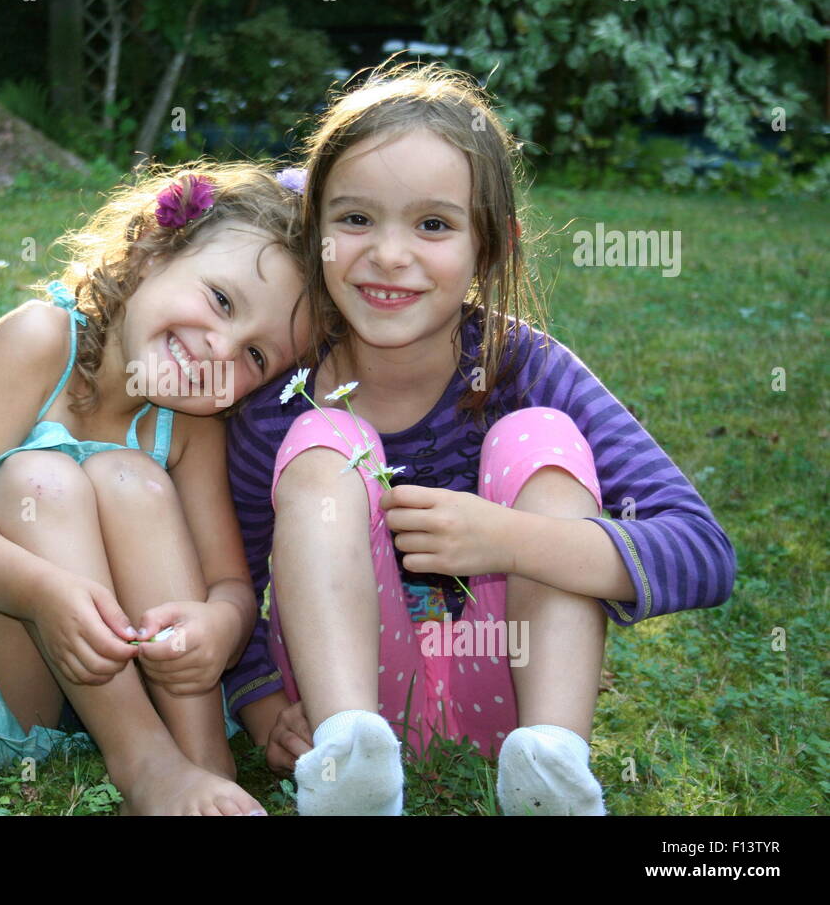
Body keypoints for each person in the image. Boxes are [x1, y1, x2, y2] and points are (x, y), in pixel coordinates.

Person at [221, 63, 736, 815]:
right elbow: (229, 587)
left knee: (541, 436)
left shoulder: (527, 367)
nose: (389, 255)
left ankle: (553, 768)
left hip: (509, 688)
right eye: (355, 219)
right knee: (323, 437)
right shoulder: (278, 404)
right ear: (315, 234)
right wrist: (264, 708)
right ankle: (350, 765)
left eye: (433, 224)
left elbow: (701, 551)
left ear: (491, 248)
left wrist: (508, 541)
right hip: (350, 695)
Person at [0, 162, 315, 816]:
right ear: (153, 250)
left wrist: (220, 624)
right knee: (42, 479)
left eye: (257, 356)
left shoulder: (193, 423)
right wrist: (45, 594)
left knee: (128, 476)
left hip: (99, 680)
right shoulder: (39, 339)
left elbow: (230, 582)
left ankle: (202, 759)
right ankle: (145, 764)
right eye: (222, 301)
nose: (220, 348)